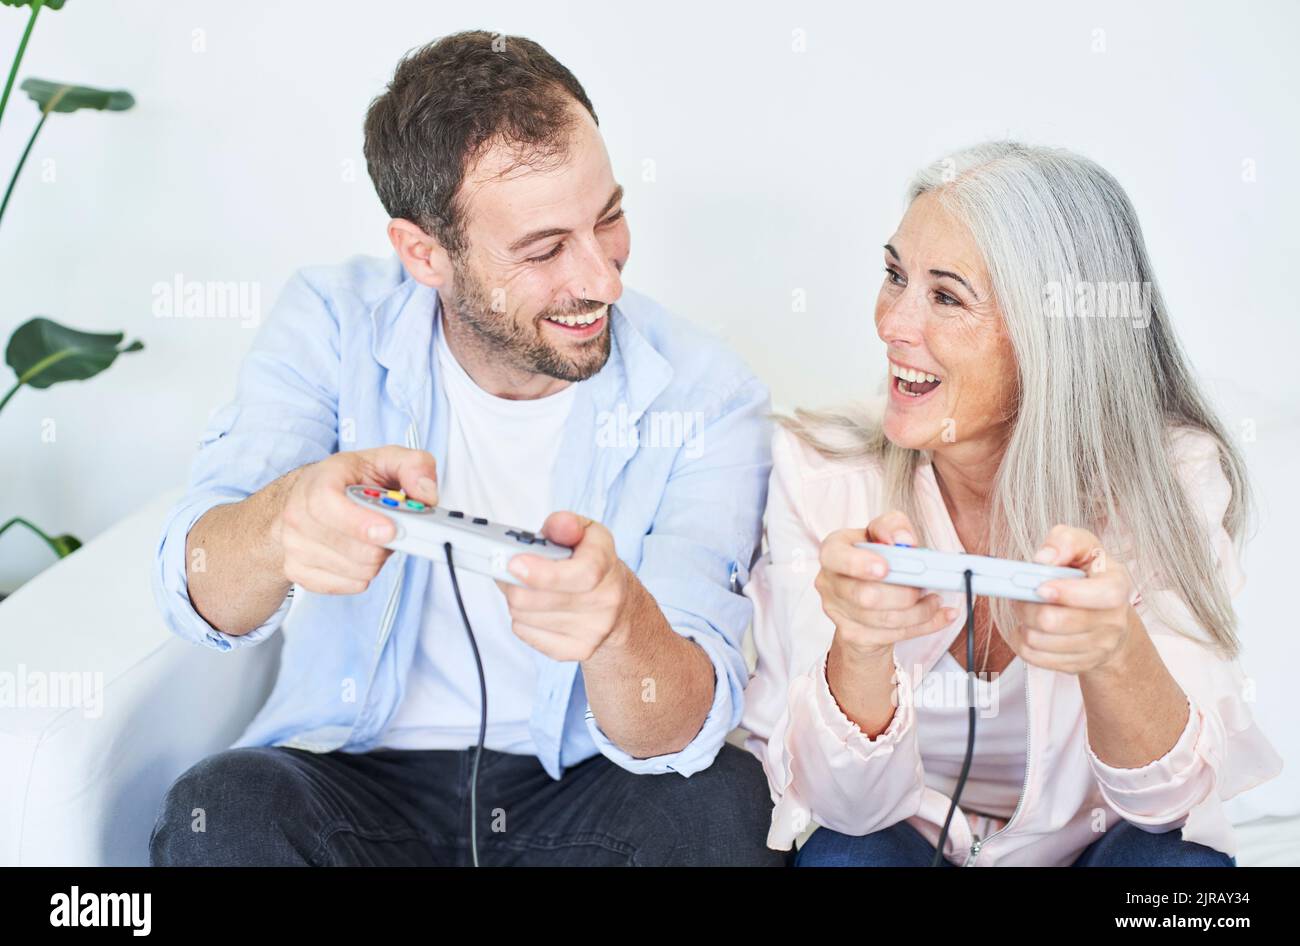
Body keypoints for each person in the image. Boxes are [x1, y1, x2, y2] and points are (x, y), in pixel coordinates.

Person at [149, 30, 783, 867]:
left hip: (587, 786)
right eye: (545, 248)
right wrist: (279, 526)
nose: (603, 280)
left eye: (610, 218)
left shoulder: (707, 394)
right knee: (223, 806)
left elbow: (677, 733)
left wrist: (620, 627)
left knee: (720, 804)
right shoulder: (332, 322)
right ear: (424, 253)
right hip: (356, 778)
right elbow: (200, 593)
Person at [741, 141, 1283, 867]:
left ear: (1053, 338)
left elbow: (1167, 806)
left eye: (945, 296)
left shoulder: (1171, 475)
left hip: (1104, 846)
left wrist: (1113, 650)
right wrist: (861, 648)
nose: (892, 324)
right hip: (901, 842)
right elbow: (843, 807)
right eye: (895, 276)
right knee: (848, 856)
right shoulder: (820, 472)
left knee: (1179, 873)